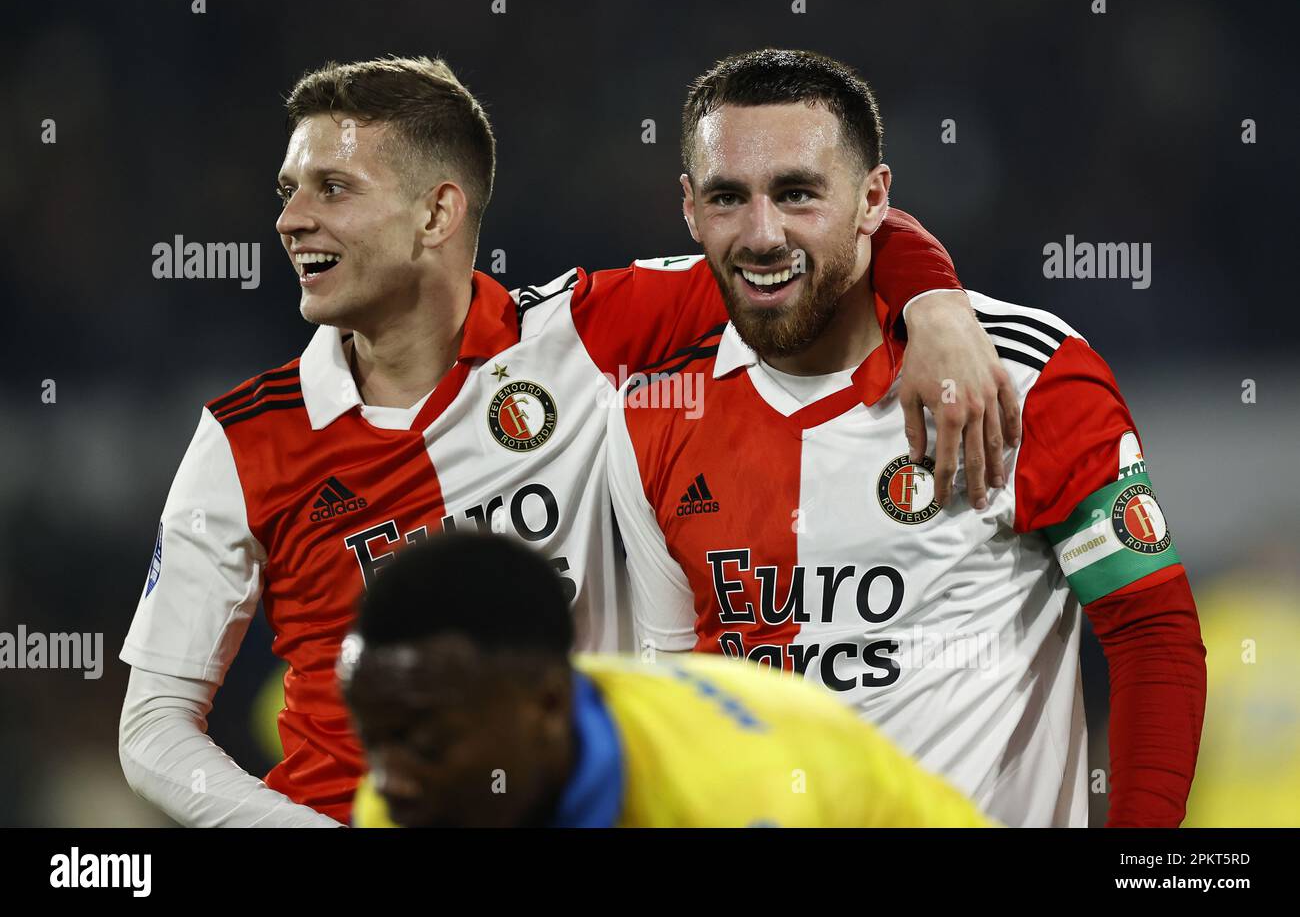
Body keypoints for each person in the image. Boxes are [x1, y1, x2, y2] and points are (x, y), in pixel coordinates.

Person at [117, 55, 1013, 827]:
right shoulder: (242, 437)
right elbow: (153, 722)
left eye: (333, 189)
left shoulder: (587, 336)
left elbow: (806, 242)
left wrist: (936, 305)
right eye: (290, 191)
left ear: (437, 215)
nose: (291, 219)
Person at [607, 49, 1207, 827]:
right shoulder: (652, 411)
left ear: (873, 198)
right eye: (728, 197)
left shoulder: (1023, 374)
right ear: (689, 208)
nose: (761, 233)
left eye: (797, 194)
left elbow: (1151, 634)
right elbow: (676, 696)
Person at [344, 532, 994, 828]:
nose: (388, 779)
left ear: (546, 705)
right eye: (376, 742)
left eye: (426, 746)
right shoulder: (409, 804)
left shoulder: (737, 797)